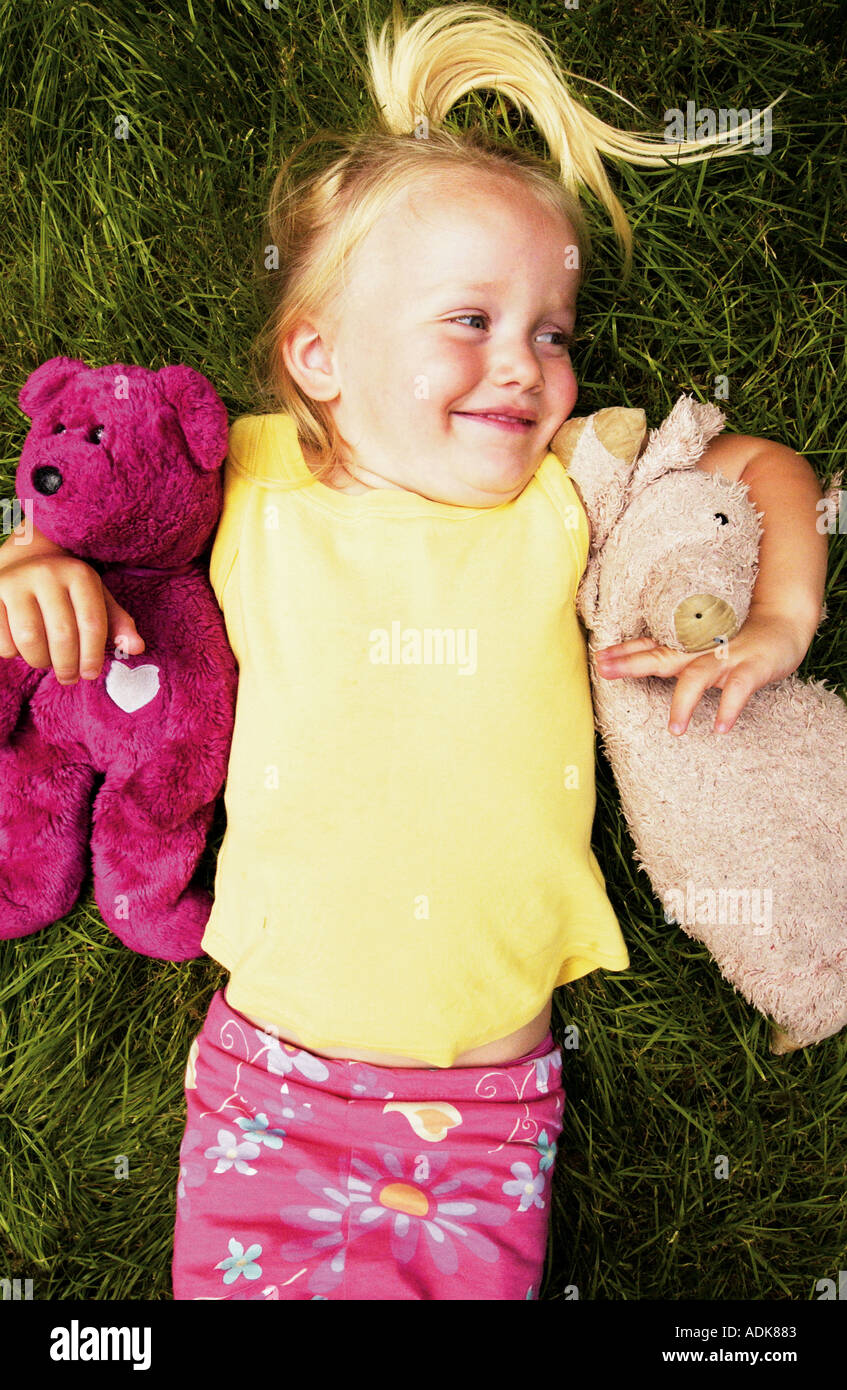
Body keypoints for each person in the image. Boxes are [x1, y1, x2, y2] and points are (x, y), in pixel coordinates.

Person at [0, 5, 828, 1300]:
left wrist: (780, 616)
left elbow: (759, 469)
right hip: (269, 1074)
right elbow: (84, 512)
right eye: (473, 321)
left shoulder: (567, 488)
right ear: (317, 358)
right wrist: (30, 562)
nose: (527, 366)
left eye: (551, 331)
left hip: (490, 1104)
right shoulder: (249, 477)